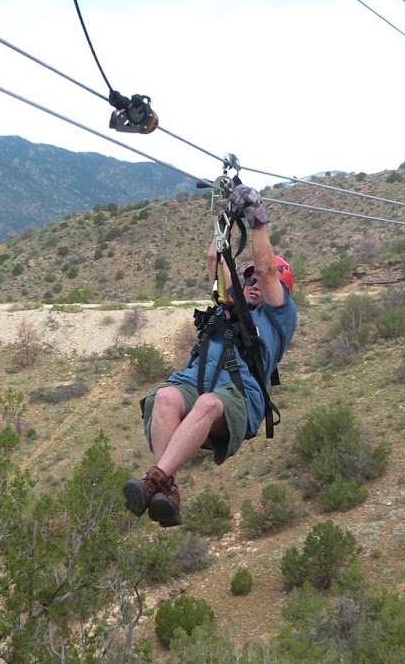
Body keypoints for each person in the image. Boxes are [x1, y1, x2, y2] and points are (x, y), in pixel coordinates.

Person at [125, 186, 298, 527]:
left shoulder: (279, 317)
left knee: (207, 404)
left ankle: (155, 481)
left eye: (260, 280)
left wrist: (256, 219)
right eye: (248, 278)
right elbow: (213, 259)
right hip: (196, 380)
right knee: (165, 397)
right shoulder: (228, 303)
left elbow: (266, 270)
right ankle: (165, 488)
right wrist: (227, 219)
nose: (254, 282)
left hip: (238, 395)